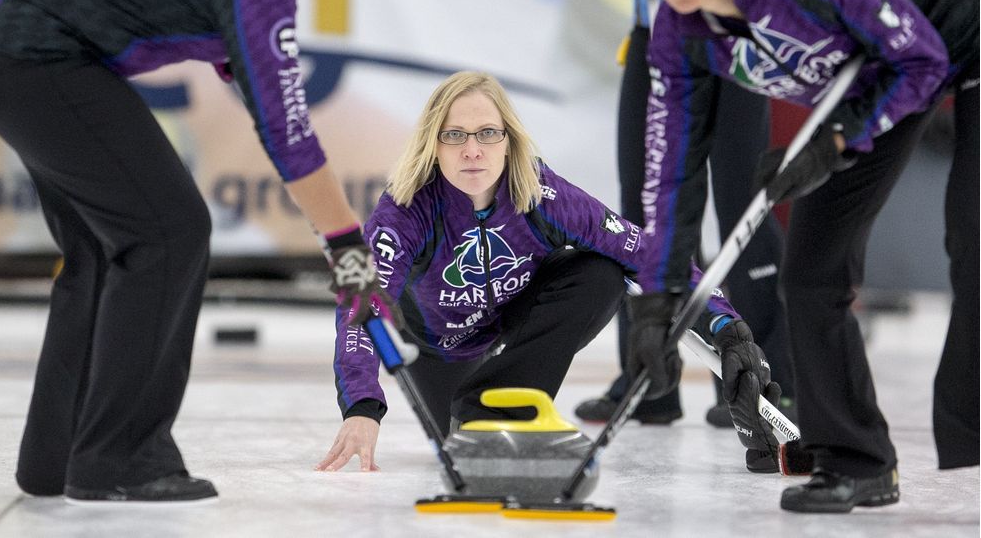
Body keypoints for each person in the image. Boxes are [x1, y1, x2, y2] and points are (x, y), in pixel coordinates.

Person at [0, 0, 397, 505]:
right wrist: (350, 254)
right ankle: (122, 459)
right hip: (41, 58)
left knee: (99, 252)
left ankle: (56, 460)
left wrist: (233, 53)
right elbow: (288, 131)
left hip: (13, 45)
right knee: (168, 232)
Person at [623, 0, 979, 512]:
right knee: (811, 274)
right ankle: (857, 460)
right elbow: (670, 166)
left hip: (958, 37)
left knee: (976, 245)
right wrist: (657, 295)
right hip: (878, 75)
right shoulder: (678, 31)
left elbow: (922, 58)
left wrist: (836, 140)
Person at [316, 71, 781, 473]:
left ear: (509, 139)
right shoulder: (405, 211)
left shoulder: (539, 191)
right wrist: (362, 406)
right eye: (454, 135)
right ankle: (478, 408)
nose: (472, 150)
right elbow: (362, 308)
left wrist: (724, 323)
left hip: (514, 333)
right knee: (462, 439)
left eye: (487, 133)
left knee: (602, 272)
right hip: (443, 353)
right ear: (432, 143)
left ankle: (506, 403)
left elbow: (643, 251)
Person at [579, 0, 794, 429]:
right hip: (655, 28)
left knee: (740, 200)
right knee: (642, 208)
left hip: (729, 24)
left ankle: (769, 376)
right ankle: (649, 378)